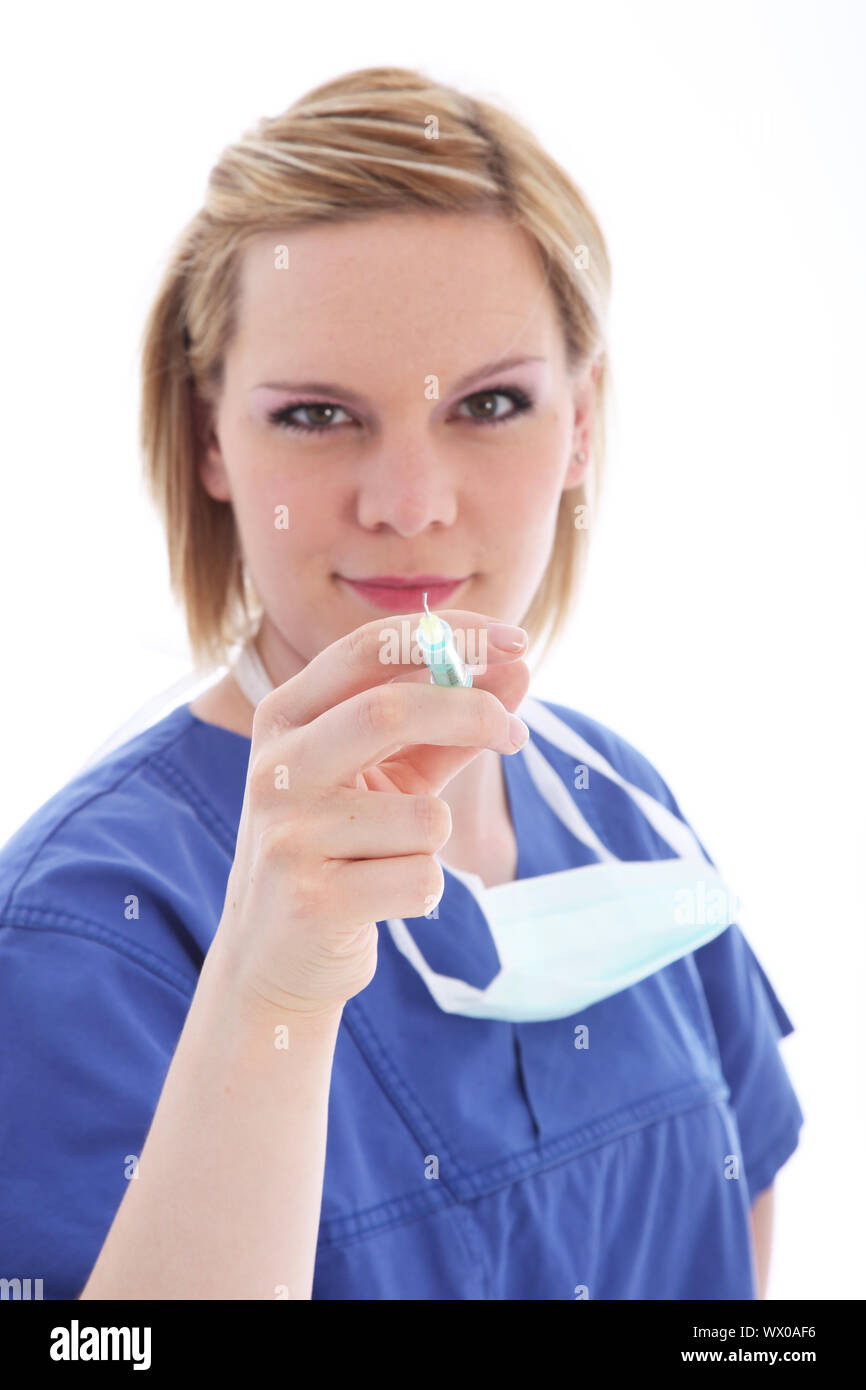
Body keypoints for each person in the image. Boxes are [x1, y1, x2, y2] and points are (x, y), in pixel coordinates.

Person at [0, 65, 803, 1301]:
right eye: (318, 415)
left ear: (579, 422)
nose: (410, 506)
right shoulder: (86, 929)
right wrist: (266, 993)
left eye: (491, 402)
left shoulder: (623, 812)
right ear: (211, 438)